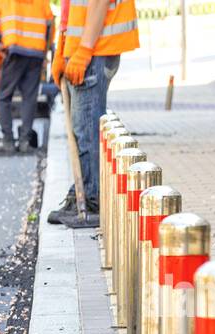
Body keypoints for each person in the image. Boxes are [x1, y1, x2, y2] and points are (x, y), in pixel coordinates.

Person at [50, 0, 138, 226]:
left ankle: (91, 199)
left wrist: (84, 51)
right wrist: (61, 51)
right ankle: (83, 192)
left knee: (87, 128)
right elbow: (71, 10)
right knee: (82, 127)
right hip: (84, 50)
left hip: (94, 50)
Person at [0, 0, 53, 152]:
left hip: (15, 51)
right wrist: (45, 52)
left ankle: (8, 140)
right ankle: (24, 142)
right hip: (36, 53)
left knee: (4, 96)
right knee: (29, 97)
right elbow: (50, 24)